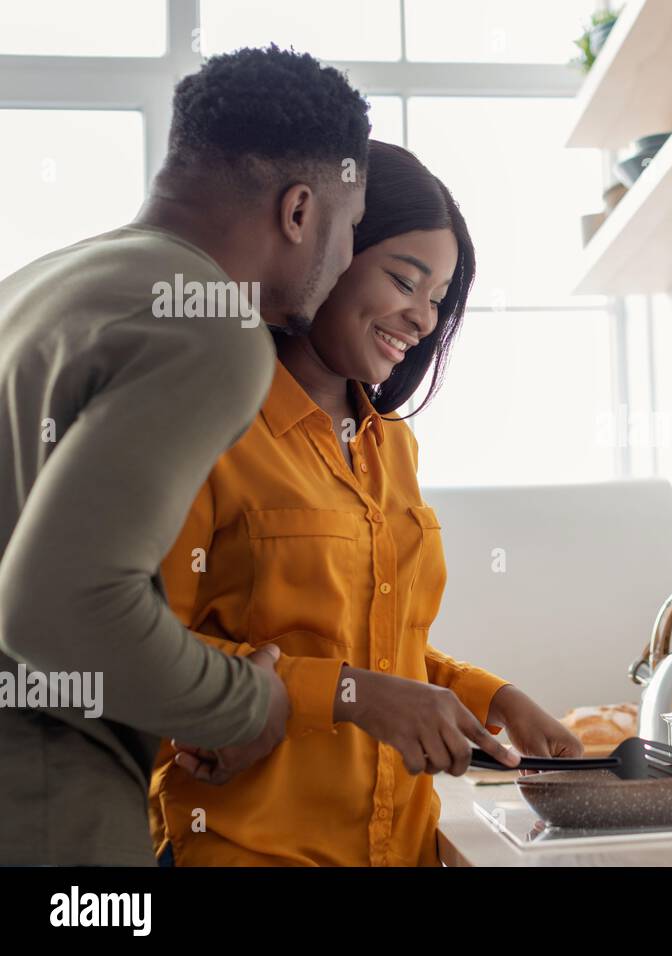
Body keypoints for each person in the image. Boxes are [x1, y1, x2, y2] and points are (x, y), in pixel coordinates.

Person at [149, 142, 577, 866]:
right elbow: (149, 660)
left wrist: (491, 697)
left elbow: (376, 650)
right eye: (405, 282)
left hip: (404, 850)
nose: (422, 319)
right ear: (329, 249)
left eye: (438, 300)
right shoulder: (212, 431)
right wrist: (346, 695)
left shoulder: (394, 450)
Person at [0, 45, 370, 866]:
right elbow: (56, 606)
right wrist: (250, 704)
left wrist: (181, 701)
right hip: (48, 810)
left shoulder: (41, 287)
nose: (345, 264)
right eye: (350, 230)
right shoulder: (212, 322)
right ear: (300, 211)